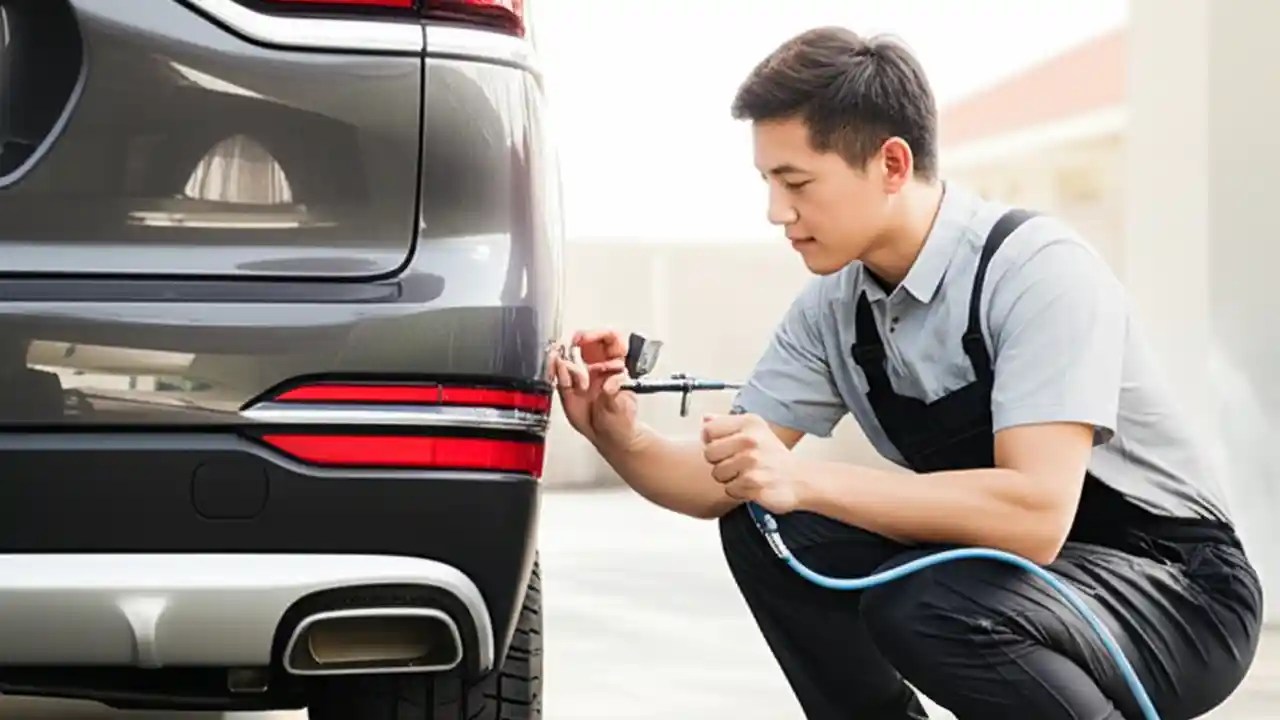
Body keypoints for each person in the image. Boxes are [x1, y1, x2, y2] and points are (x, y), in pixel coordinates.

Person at [549, 26, 1263, 720]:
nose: (775, 211)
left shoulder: (1037, 272)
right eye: (768, 181)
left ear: (891, 164)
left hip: (1178, 590)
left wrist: (805, 479)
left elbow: (1037, 515)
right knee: (765, 523)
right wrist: (621, 435)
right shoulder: (833, 308)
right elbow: (724, 483)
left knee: (928, 606)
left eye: (796, 181)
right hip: (1018, 578)